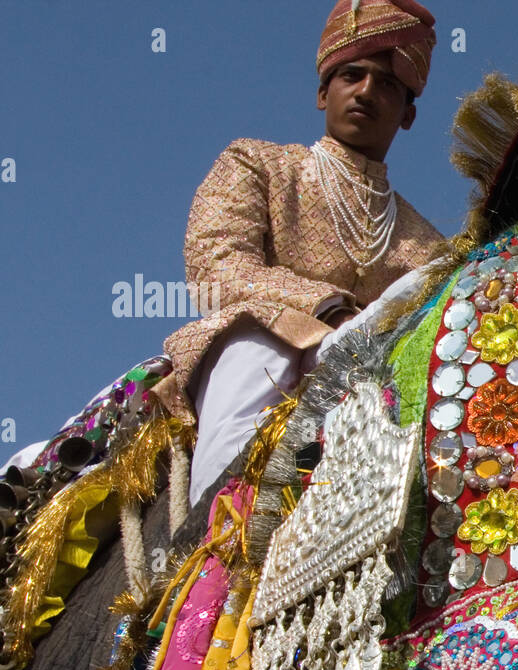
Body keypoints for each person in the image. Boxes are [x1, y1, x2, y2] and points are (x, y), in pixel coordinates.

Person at [152, 0, 447, 506]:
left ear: (408, 115)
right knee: (256, 352)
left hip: (371, 380)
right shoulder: (258, 164)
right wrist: (326, 310)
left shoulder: (429, 245)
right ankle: (216, 527)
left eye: (387, 84)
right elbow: (215, 266)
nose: (366, 91)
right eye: (351, 75)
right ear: (322, 93)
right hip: (257, 347)